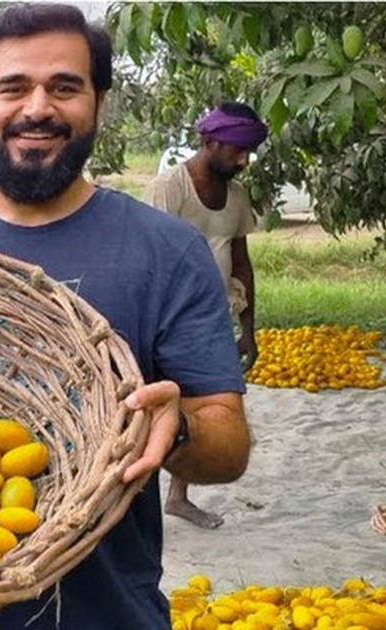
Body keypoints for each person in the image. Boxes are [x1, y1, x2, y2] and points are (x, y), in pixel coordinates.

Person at [0, 4, 250, 629]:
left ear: (97, 105)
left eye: (65, 87)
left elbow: (230, 444)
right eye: (13, 87)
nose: (37, 108)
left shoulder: (165, 253)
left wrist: (179, 428)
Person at [144, 102, 265, 530]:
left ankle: (178, 497)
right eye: (236, 149)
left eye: (248, 151)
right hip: (167, 316)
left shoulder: (236, 197)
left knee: (202, 407)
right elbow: (149, 260)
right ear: (209, 141)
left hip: (215, 318)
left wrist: (248, 329)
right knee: (156, 406)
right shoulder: (169, 190)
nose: (243, 159)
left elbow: (242, 261)